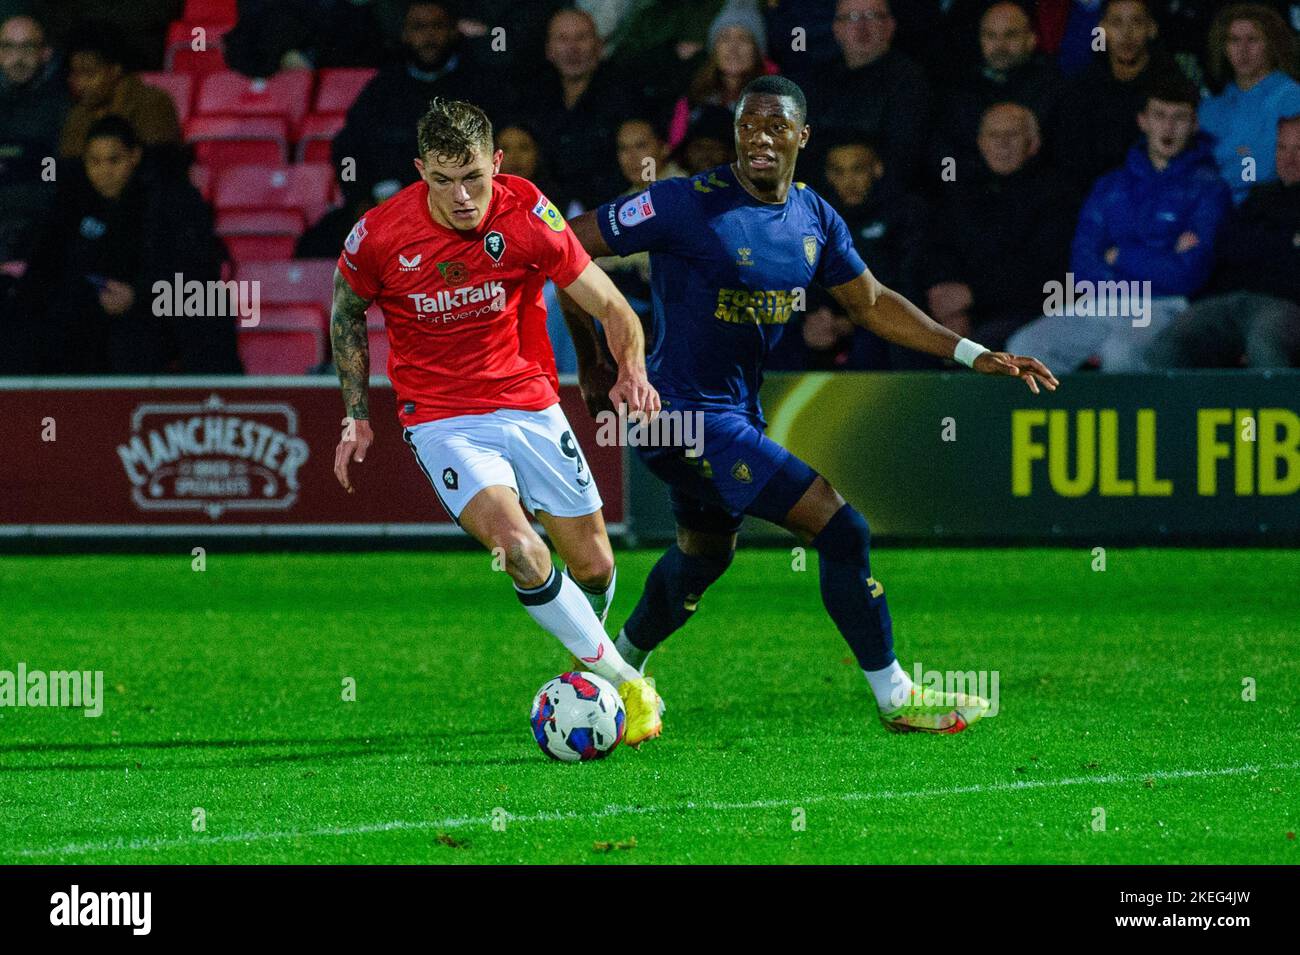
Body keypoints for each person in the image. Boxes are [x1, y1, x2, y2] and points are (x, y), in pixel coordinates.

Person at [563, 76, 1058, 734]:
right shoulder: (686, 202)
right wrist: (595, 359)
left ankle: (614, 675)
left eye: (775, 126)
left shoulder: (814, 217)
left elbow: (873, 303)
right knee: (839, 526)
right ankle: (896, 695)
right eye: (748, 126)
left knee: (705, 556)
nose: (760, 138)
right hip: (676, 414)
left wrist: (973, 352)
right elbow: (566, 248)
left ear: (802, 135)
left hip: (732, 413)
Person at [329, 98, 664, 744]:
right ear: (420, 169)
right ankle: (624, 678)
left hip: (529, 401)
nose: (462, 196)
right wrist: (355, 415)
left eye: (475, 177)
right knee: (518, 547)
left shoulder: (529, 214)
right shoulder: (380, 234)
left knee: (594, 566)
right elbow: (346, 311)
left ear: (497, 163)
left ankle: (586, 658)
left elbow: (614, 305)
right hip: (443, 418)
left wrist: (634, 371)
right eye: (444, 180)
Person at [1007, 75, 1233, 371]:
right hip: (1102, 301)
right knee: (1024, 349)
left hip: (1165, 307)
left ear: (1194, 125)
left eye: (1179, 118)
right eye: (1159, 115)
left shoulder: (1209, 188)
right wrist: (1152, 263)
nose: (1168, 127)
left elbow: (1188, 275)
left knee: (1122, 354)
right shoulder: (1110, 185)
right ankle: (1072, 416)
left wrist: (1120, 255)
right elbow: (1082, 265)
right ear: (1143, 121)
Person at [16, 115, 237, 375]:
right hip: (96, 311)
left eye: (114, 160)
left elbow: (195, 268)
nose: (104, 171)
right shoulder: (73, 201)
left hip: (160, 308)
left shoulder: (172, 199)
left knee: (207, 307)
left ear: (134, 156)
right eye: (94, 162)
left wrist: (139, 296)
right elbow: (50, 265)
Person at [1146, 114, 1300, 368]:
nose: (1289, 157)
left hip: (1286, 305)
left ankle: (1276, 407)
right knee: (1168, 345)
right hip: (1231, 300)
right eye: (1282, 147)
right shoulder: (1259, 196)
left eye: (1298, 149)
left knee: (1264, 341)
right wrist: (1287, 241)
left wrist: (1259, 245)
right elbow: (1228, 245)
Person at [926, 103, 1077, 354]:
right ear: (980, 142)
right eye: (993, 136)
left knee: (983, 350)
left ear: (1033, 142)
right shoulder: (963, 190)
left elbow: (1048, 273)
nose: (1002, 144)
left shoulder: (1057, 195)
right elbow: (938, 248)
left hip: (1028, 314)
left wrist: (973, 294)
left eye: (1012, 135)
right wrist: (949, 298)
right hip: (964, 309)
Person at [331, 1, 506, 207]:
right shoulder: (384, 87)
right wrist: (360, 199)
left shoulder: (481, 83)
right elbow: (348, 146)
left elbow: (501, 141)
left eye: (437, 26)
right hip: (392, 203)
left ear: (453, 31)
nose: (429, 36)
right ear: (405, 34)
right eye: (419, 27)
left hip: (467, 202)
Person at [1055, 0, 1186, 196]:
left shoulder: (1172, 87)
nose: (1127, 34)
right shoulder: (1082, 88)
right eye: (1116, 23)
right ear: (1102, 30)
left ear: (1152, 29)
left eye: (1136, 22)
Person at [808, 0, 931, 189]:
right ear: (836, 28)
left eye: (872, 16)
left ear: (890, 26)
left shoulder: (910, 81)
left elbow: (905, 156)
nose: (861, 26)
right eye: (851, 17)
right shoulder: (817, 80)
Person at [1199, 3, 1300, 204]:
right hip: (1211, 211)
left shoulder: (1292, 97)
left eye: (1252, 40)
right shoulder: (1209, 108)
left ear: (1271, 44)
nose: (1243, 50)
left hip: (1271, 209)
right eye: (1234, 40)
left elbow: (1261, 168)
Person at [0, 13, 68, 261]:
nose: (17, 58)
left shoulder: (63, 109)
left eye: (27, 47)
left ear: (45, 53)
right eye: (8, 47)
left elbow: (51, 182)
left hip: (36, 232)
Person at [58, 23, 180, 159]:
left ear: (115, 70)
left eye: (89, 74)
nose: (80, 84)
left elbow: (159, 166)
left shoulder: (152, 104)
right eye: (75, 75)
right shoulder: (78, 115)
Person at [665, 1, 773, 150]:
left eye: (743, 38)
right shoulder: (693, 97)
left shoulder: (774, 99)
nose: (733, 48)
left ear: (757, 51)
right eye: (724, 38)